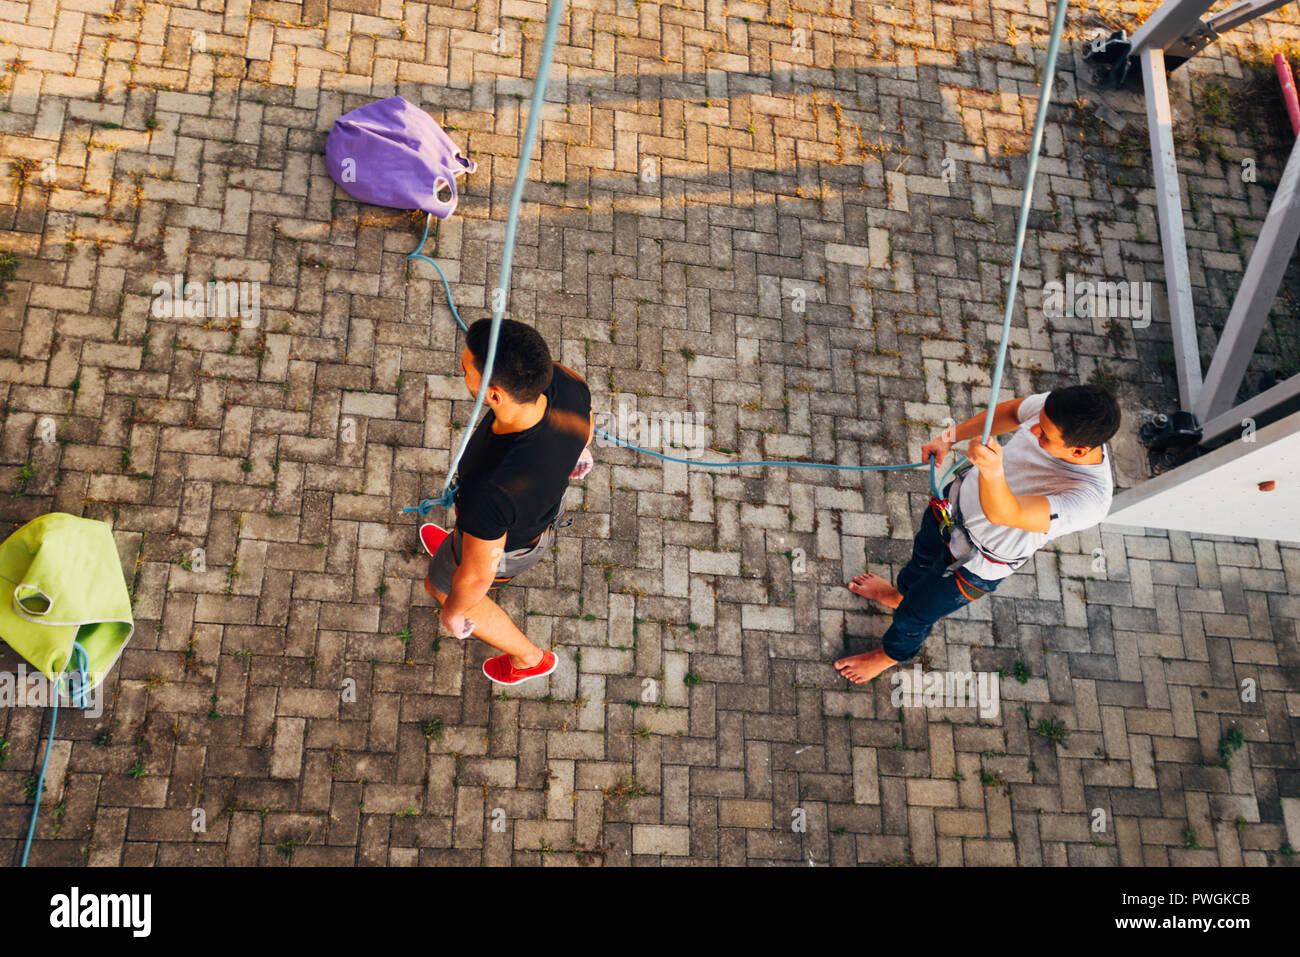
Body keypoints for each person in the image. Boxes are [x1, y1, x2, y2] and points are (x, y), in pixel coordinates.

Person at [835, 384, 1121, 684]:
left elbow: (1008, 513)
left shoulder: (1090, 498)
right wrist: (948, 438)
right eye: (1038, 422)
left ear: (1078, 450)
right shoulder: (1055, 409)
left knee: (915, 616)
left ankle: (889, 655)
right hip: (950, 509)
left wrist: (993, 471)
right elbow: (1012, 412)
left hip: (973, 564)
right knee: (919, 561)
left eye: (1044, 434)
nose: (1034, 429)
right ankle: (899, 594)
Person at [422, 318, 593, 685]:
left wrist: (454, 610)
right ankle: (458, 547)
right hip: (520, 518)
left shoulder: (492, 487)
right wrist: (581, 448)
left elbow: (481, 572)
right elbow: (588, 420)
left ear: (494, 394)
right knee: (468, 551)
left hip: (506, 546)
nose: (462, 368)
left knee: (443, 586)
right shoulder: (567, 382)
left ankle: (528, 658)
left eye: (465, 368)